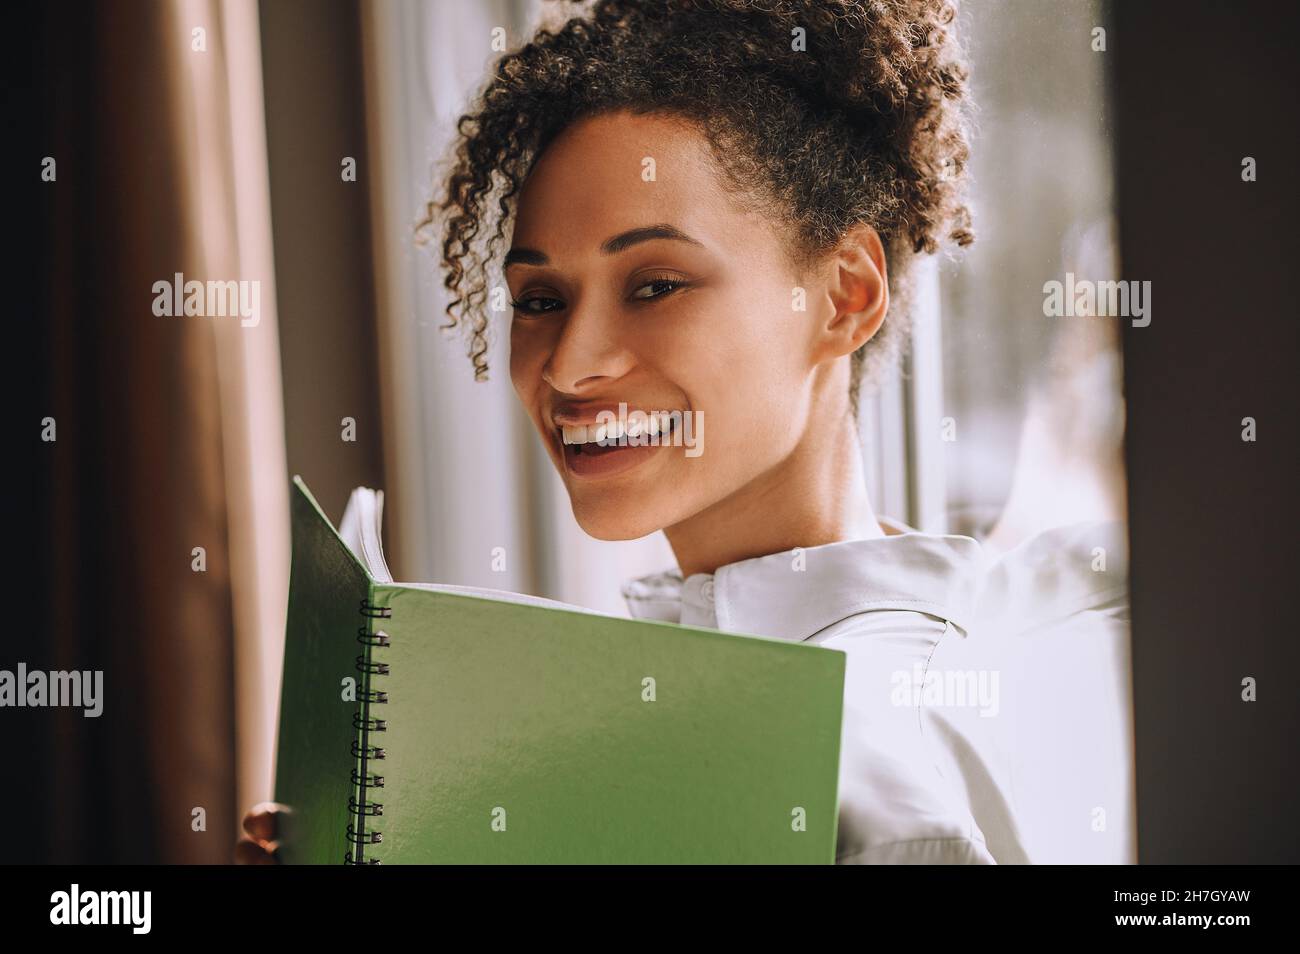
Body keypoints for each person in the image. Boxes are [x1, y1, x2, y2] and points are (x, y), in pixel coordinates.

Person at [240, 0, 1132, 864]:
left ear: (845, 295)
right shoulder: (991, 615)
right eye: (540, 301)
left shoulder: (846, 772)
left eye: (656, 284)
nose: (569, 366)